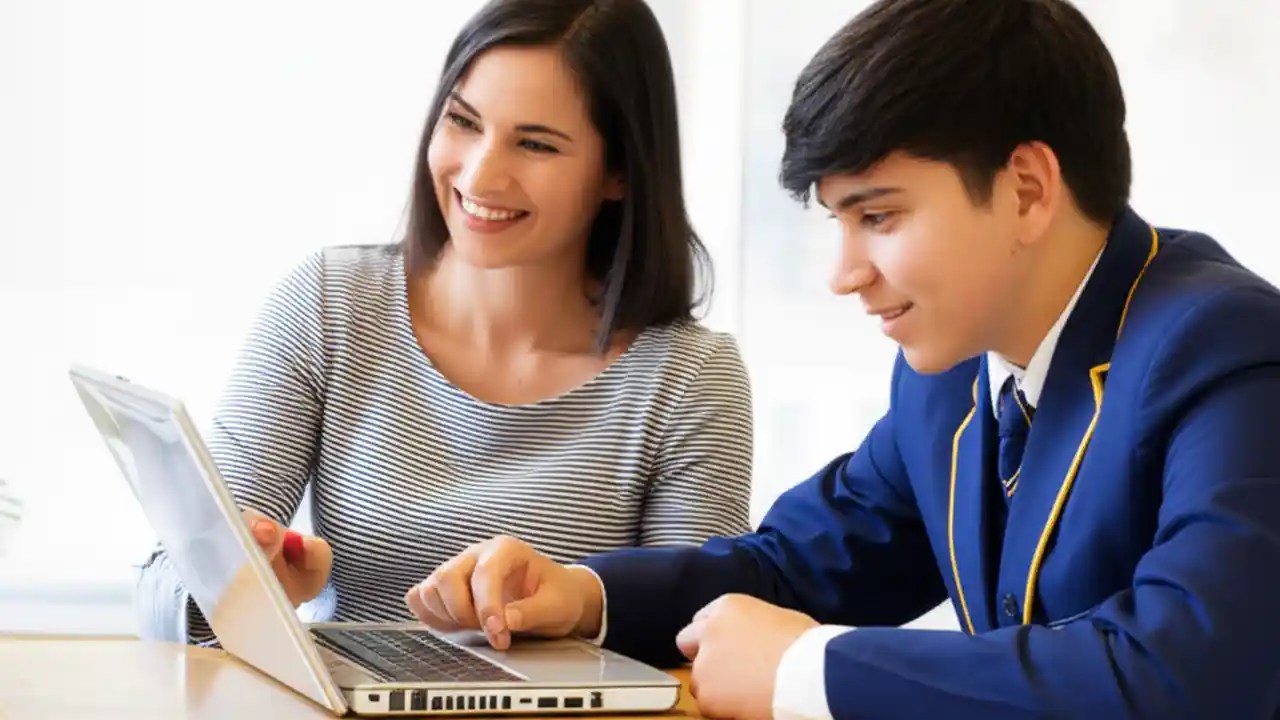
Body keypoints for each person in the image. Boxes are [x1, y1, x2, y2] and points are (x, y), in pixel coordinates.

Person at [405, 0, 1280, 717]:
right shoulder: (950, 375)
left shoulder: (1225, 346)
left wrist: (807, 671)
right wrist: (584, 597)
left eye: (881, 216)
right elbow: (798, 564)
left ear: (1026, 189)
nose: (843, 274)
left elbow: (1191, 675)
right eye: (836, 220)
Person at [136, 0, 754, 645]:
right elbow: (162, 591)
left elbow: (700, 635)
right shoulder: (331, 303)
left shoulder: (690, 377)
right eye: (463, 122)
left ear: (619, 172)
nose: (481, 174)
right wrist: (235, 589)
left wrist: (570, 604)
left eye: (536, 143)